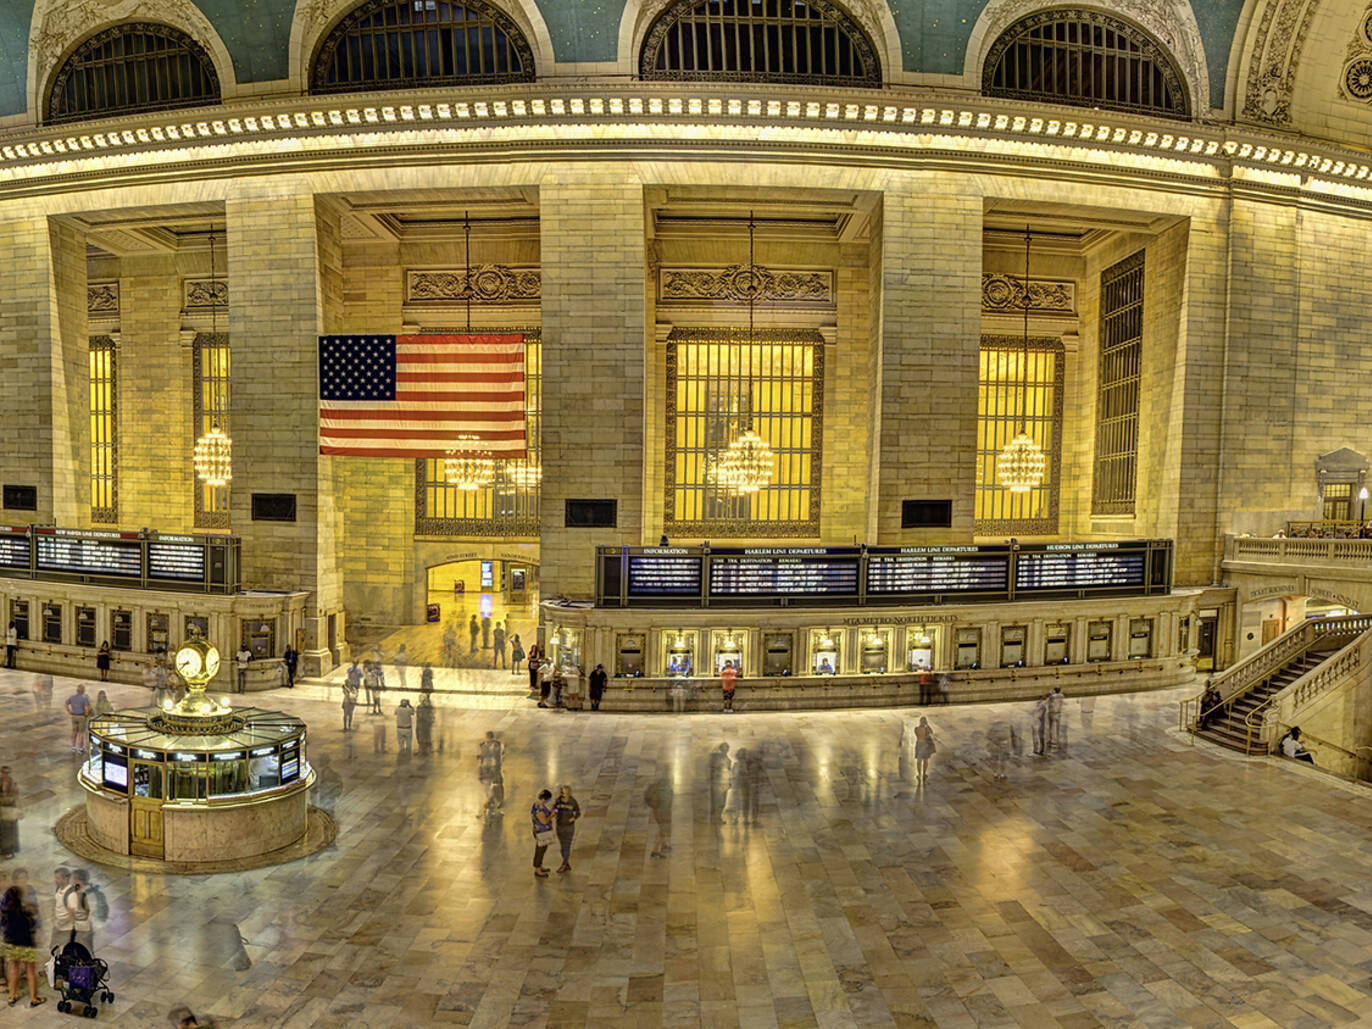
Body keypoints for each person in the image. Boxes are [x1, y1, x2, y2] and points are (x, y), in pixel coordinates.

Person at [1, 884, 43, 1007]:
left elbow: (3, 927)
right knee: (30, 971)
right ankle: (34, 998)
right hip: (27, 945)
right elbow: (35, 925)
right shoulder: (25, 913)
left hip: (12, 945)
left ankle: (12, 996)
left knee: (13, 970)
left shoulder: (6, 913)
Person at [553, 784, 581, 873]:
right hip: (559, 826)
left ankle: (564, 865)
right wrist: (556, 814)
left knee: (567, 846)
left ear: (568, 793)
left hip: (569, 827)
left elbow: (578, 813)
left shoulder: (572, 802)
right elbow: (555, 808)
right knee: (562, 847)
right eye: (562, 792)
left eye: (564, 792)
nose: (563, 794)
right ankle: (566, 863)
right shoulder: (558, 801)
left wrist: (572, 819)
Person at [63, 869, 93, 953]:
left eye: (74, 879)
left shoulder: (79, 894)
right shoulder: (81, 892)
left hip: (80, 926)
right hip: (81, 925)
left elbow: (73, 910)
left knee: (82, 948)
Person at [477, 732, 504, 816]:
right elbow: (479, 758)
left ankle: (487, 806)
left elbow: (501, 756)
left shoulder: (498, 745)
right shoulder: (482, 746)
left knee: (495, 787)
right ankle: (489, 805)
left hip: (494, 768)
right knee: (487, 788)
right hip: (485, 769)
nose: (488, 740)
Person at [644, 777, 672, 858]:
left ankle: (664, 845)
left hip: (656, 812)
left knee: (661, 829)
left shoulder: (656, 789)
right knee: (661, 830)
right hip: (663, 813)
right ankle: (655, 850)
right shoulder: (667, 791)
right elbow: (668, 804)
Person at [531, 789, 554, 877]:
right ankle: (537, 869)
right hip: (541, 832)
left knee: (543, 849)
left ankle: (540, 866)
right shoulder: (538, 808)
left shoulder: (541, 805)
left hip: (544, 832)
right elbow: (544, 821)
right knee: (539, 851)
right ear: (545, 799)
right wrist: (552, 815)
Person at [709, 743, 732, 824]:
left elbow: (729, 771)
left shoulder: (729, 760)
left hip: (725, 782)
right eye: (724, 748)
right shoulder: (716, 759)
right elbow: (713, 770)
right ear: (721, 749)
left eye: (727, 748)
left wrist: (730, 782)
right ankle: (714, 818)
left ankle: (719, 817)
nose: (725, 750)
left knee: (723, 802)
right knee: (716, 801)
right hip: (717, 782)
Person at [49, 867, 72, 952]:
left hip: (65, 928)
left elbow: (72, 913)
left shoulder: (70, 893)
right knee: (54, 948)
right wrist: (53, 918)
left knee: (64, 950)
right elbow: (55, 903)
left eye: (58, 878)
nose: (55, 880)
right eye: (55, 877)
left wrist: (62, 922)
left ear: (65, 878)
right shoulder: (58, 888)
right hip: (57, 925)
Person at [65, 684, 91, 752]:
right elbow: (87, 709)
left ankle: (73, 747)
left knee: (74, 732)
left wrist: (69, 711)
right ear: (83, 691)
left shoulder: (72, 697)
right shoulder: (84, 699)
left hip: (74, 716)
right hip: (81, 717)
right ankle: (80, 748)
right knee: (80, 733)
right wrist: (86, 714)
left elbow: (66, 704)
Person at [913, 716, 936, 783]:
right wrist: (927, 725)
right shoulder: (926, 729)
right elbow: (931, 732)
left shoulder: (916, 729)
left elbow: (917, 734)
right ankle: (923, 774)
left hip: (919, 744)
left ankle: (919, 774)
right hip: (925, 744)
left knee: (919, 760)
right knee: (925, 760)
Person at [0, 768, 17, 859]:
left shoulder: (12, 784)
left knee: (8, 832)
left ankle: (9, 851)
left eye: (6, 773)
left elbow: (12, 798)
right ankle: (3, 849)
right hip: (2, 809)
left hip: (8, 810)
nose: (4, 775)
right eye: (3, 773)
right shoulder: (1, 781)